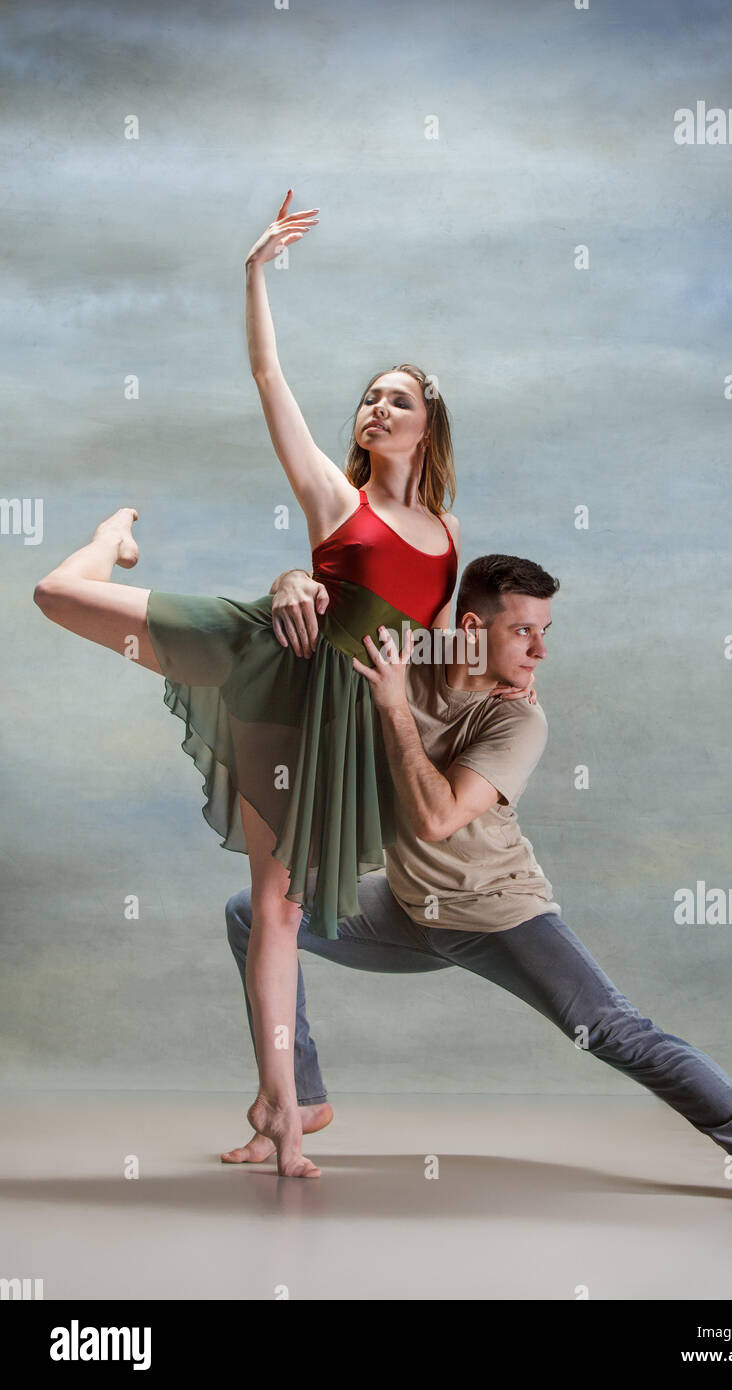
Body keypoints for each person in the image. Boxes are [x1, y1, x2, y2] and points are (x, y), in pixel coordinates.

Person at [31, 190, 502, 1177]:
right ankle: (110, 536)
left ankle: (282, 1113)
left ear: (428, 427)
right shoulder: (336, 496)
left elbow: (420, 652)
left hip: (333, 730)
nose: (375, 407)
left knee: (277, 911)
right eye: (369, 396)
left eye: (397, 399)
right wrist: (254, 271)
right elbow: (265, 373)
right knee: (54, 592)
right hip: (267, 663)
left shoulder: (450, 538)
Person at [222, 554, 732, 1216]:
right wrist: (289, 585)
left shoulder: (518, 719)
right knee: (255, 914)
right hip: (405, 908)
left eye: (546, 632)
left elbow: (435, 818)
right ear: (471, 627)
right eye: (524, 632)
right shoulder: (410, 652)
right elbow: (331, 592)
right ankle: (301, 1098)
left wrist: (393, 707)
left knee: (616, 1031)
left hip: (497, 915)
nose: (540, 650)